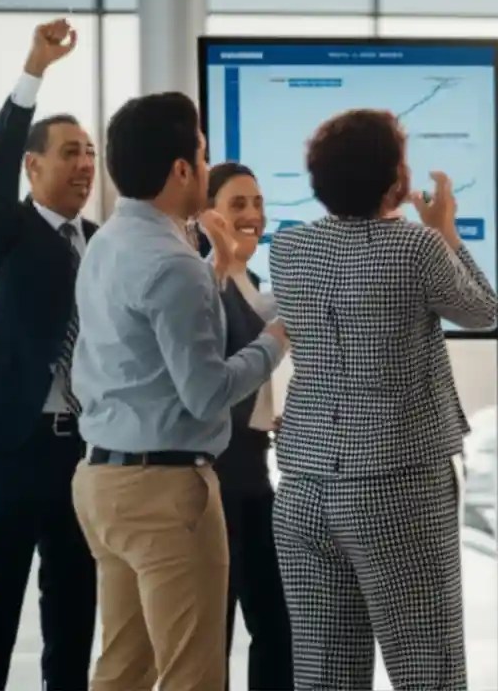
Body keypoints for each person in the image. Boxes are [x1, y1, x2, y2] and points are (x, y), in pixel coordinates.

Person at [268, 109, 497, 690]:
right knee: (428, 671)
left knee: (325, 677)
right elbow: (482, 309)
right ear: (395, 177)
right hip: (396, 484)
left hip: (303, 488)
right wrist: (445, 228)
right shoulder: (415, 246)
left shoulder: (289, 250)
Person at [69, 92, 289, 691]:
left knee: (122, 670)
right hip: (166, 492)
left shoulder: (107, 243)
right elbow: (206, 391)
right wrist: (275, 340)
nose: (207, 160)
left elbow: (152, 350)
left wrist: (218, 269)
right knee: (194, 677)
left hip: (102, 483)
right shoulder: (174, 262)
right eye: (202, 151)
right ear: (182, 170)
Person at [0, 18, 96, 691]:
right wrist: (35, 68)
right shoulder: (6, 229)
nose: (85, 164)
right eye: (70, 152)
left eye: (91, 153)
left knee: (75, 611)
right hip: (9, 444)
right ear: (34, 166)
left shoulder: (105, 243)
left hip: (82, 449)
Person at [204, 162, 294, 690]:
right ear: (207, 213)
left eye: (258, 204)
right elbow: (209, 376)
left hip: (255, 470)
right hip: (217, 474)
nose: (253, 215)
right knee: (215, 634)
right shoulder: (206, 280)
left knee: (277, 627)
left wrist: (269, 414)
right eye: (238, 204)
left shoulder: (254, 283)